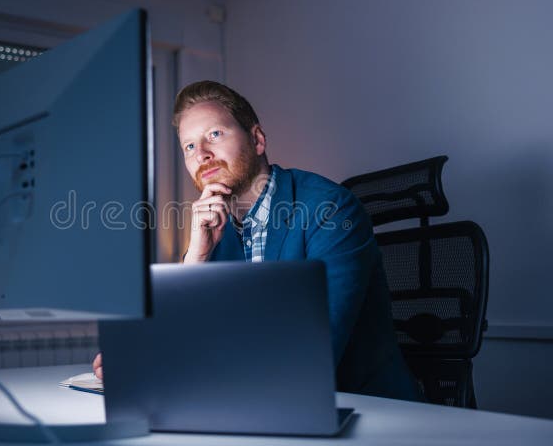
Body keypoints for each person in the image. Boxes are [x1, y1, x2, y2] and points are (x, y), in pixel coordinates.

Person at [95, 80, 421, 401]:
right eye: (189, 146)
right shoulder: (215, 233)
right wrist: (195, 258)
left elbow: (310, 356)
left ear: (257, 139)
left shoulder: (329, 209)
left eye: (215, 135)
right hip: (257, 407)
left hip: (362, 412)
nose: (202, 154)